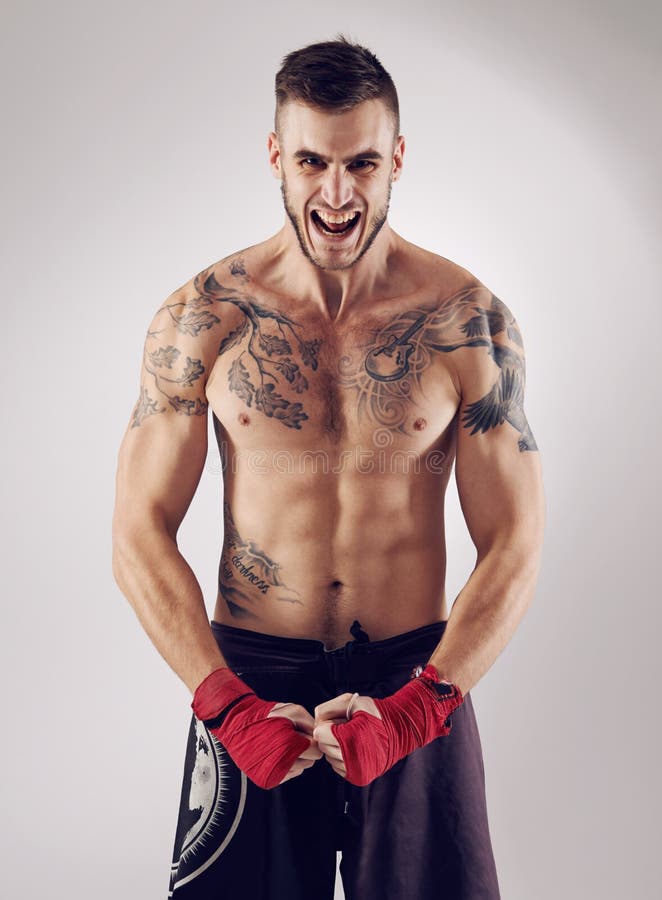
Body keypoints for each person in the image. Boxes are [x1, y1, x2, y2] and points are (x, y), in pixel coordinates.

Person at [112, 34, 545, 900]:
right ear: (277, 155)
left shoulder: (467, 322)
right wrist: (224, 704)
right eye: (313, 161)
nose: (338, 194)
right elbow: (137, 534)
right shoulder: (204, 319)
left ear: (397, 160)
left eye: (362, 164)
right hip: (251, 681)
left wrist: (421, 707)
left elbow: (515, 542)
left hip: (414, 679)